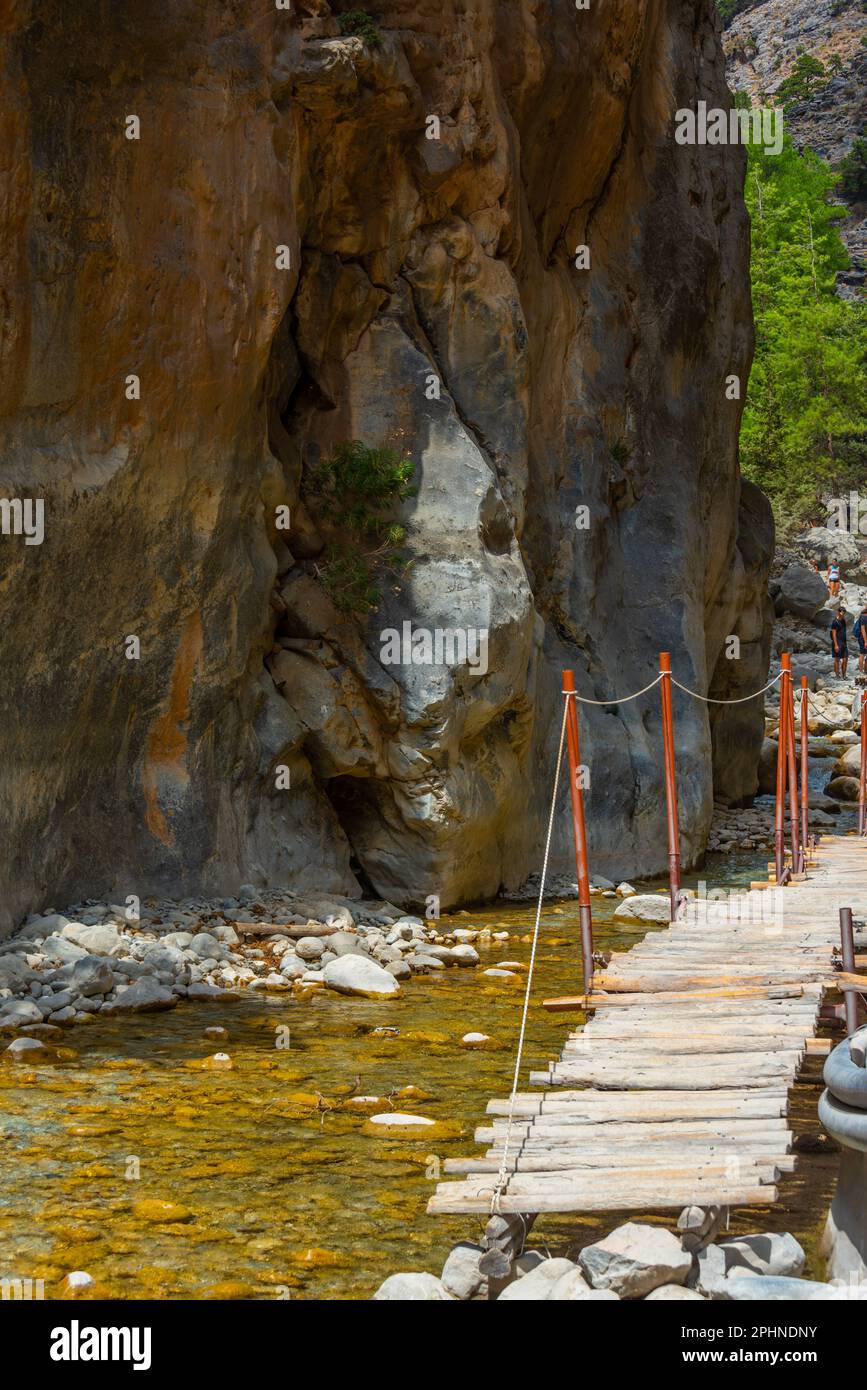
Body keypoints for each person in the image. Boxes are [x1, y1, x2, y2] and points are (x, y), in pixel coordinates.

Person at [831, 606, 849, 678]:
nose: (843, 613)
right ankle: (837, 675)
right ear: (838, 612)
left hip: (844, 643)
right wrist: (836, 645)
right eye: (841, 611)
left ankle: (844, 675)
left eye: (844, 612)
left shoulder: (843, 621)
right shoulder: (834, 622)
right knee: (837, 659)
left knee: (845, 659)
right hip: (837, 642)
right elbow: (834, 634)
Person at [855, 605, 867, 674]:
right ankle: (860, 671)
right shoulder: (863, 616)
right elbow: (863, 630)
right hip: (863, 638)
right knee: (862, 654)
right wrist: (865, 641)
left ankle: (865, 671)